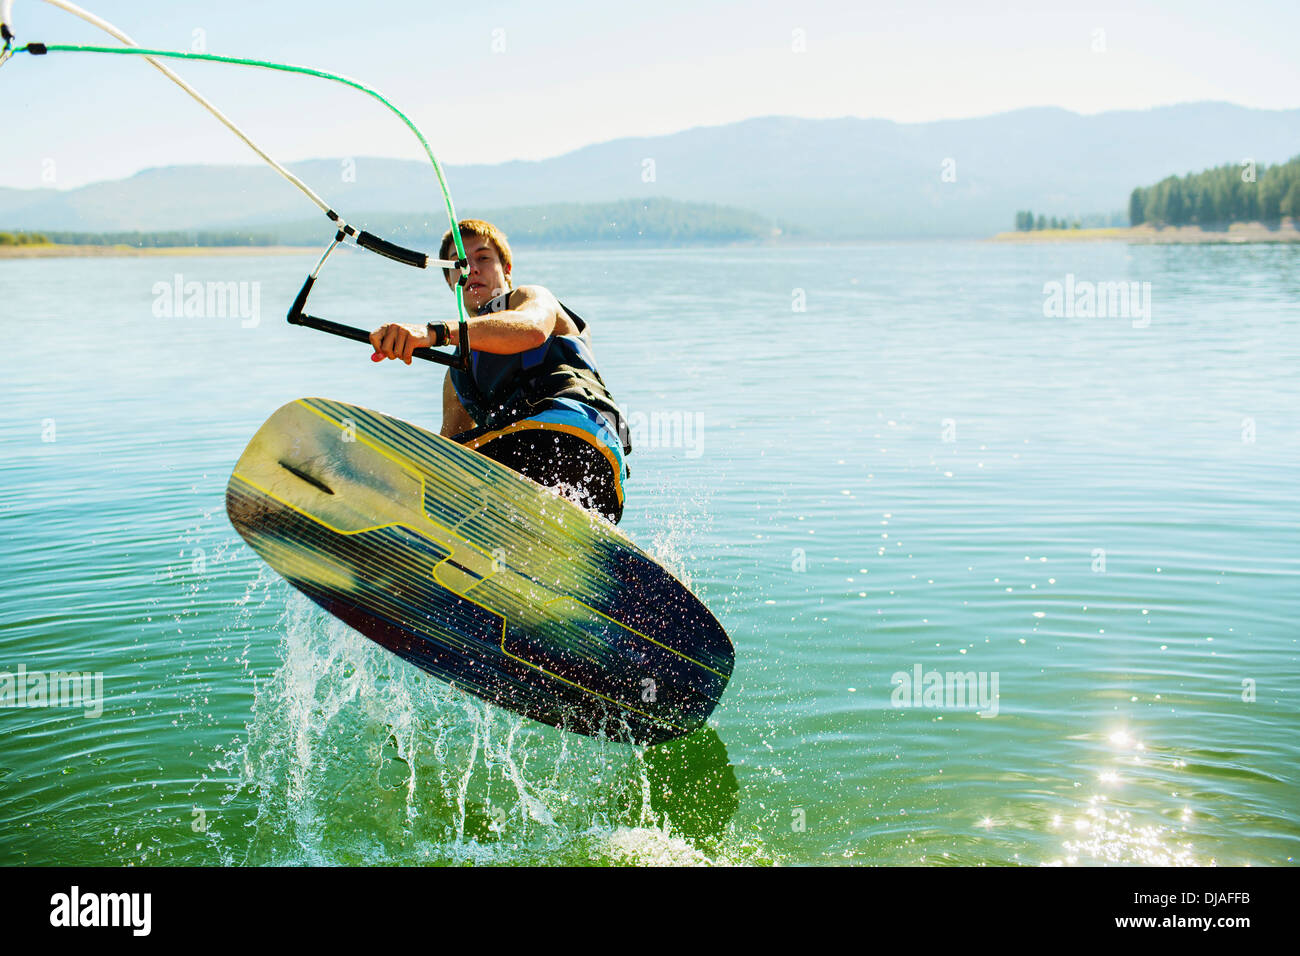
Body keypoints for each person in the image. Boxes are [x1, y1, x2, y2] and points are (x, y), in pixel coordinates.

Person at [368, 219, 631, 523]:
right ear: (449, 280)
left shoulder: (531, 298)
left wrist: (432, 333)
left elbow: (531, 330)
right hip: (577, 480)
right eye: (459, 264)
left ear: (506, 269)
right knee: (442, 477)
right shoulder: (458, 371)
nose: (471, 270)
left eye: (483, 258)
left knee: (421, 478)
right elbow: (447, 449)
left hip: (575, 437)